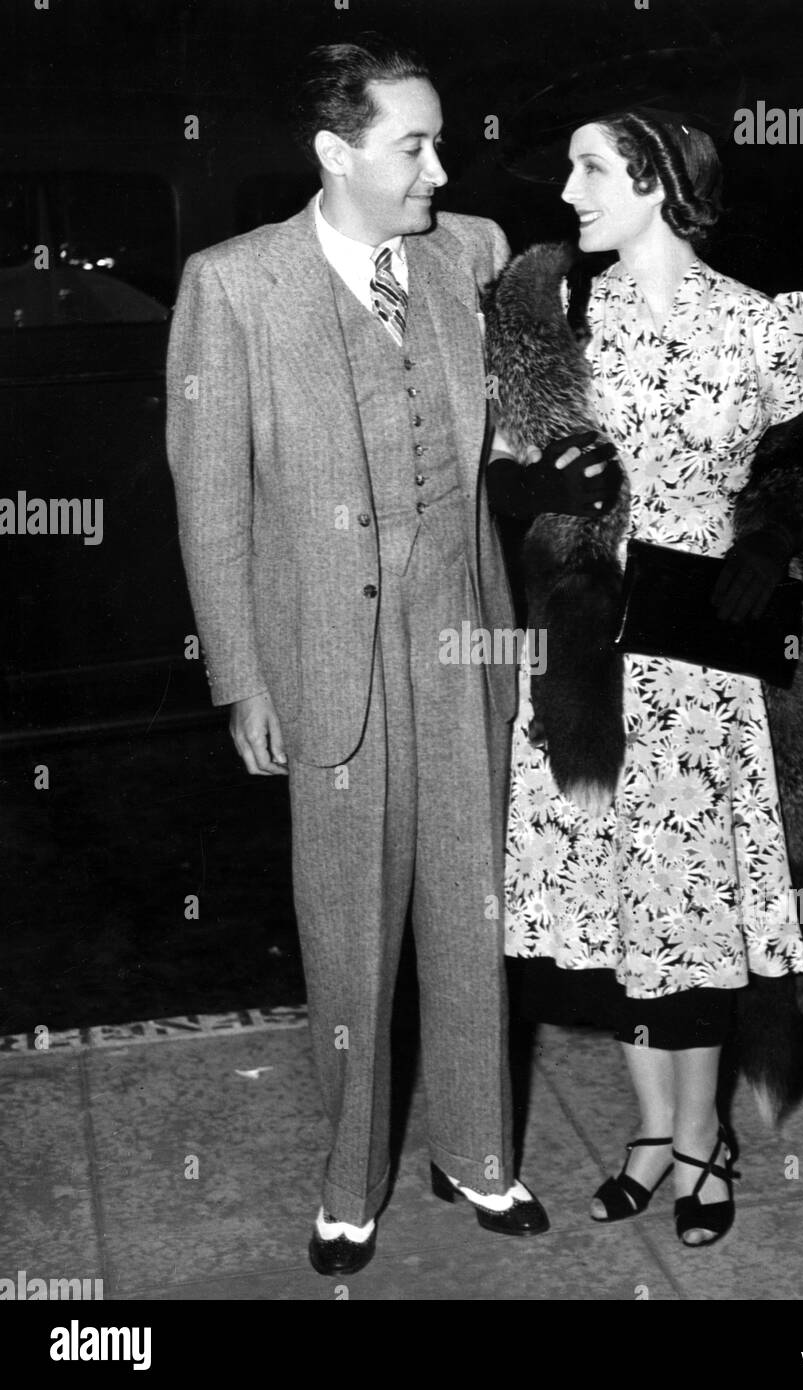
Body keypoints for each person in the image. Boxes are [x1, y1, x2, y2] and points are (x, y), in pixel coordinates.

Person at [165, 36, 613, 1276]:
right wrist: (243, 676)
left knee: (476, 915)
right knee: (349, 933)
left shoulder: (467, 252)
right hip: (325, 661)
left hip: (465, 644)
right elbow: (209, 502)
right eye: (411, 142)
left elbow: (521, 423)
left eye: (438, 137)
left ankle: (476, 1153)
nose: (438, 161)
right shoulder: (234, 285)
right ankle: (349, 1182)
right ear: (335, 152)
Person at [485, 107, 803, 1246]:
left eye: (591, 169)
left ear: (658, 182)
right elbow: (502, 468)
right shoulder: (558, 315)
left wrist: (776, 534)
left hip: (703, 660)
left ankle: (702, 1137)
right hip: (586, 657)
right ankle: (649, 1132)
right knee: (620, 908)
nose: (567, 192)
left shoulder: (758, 328)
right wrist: (550, 493)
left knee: (690, 910)